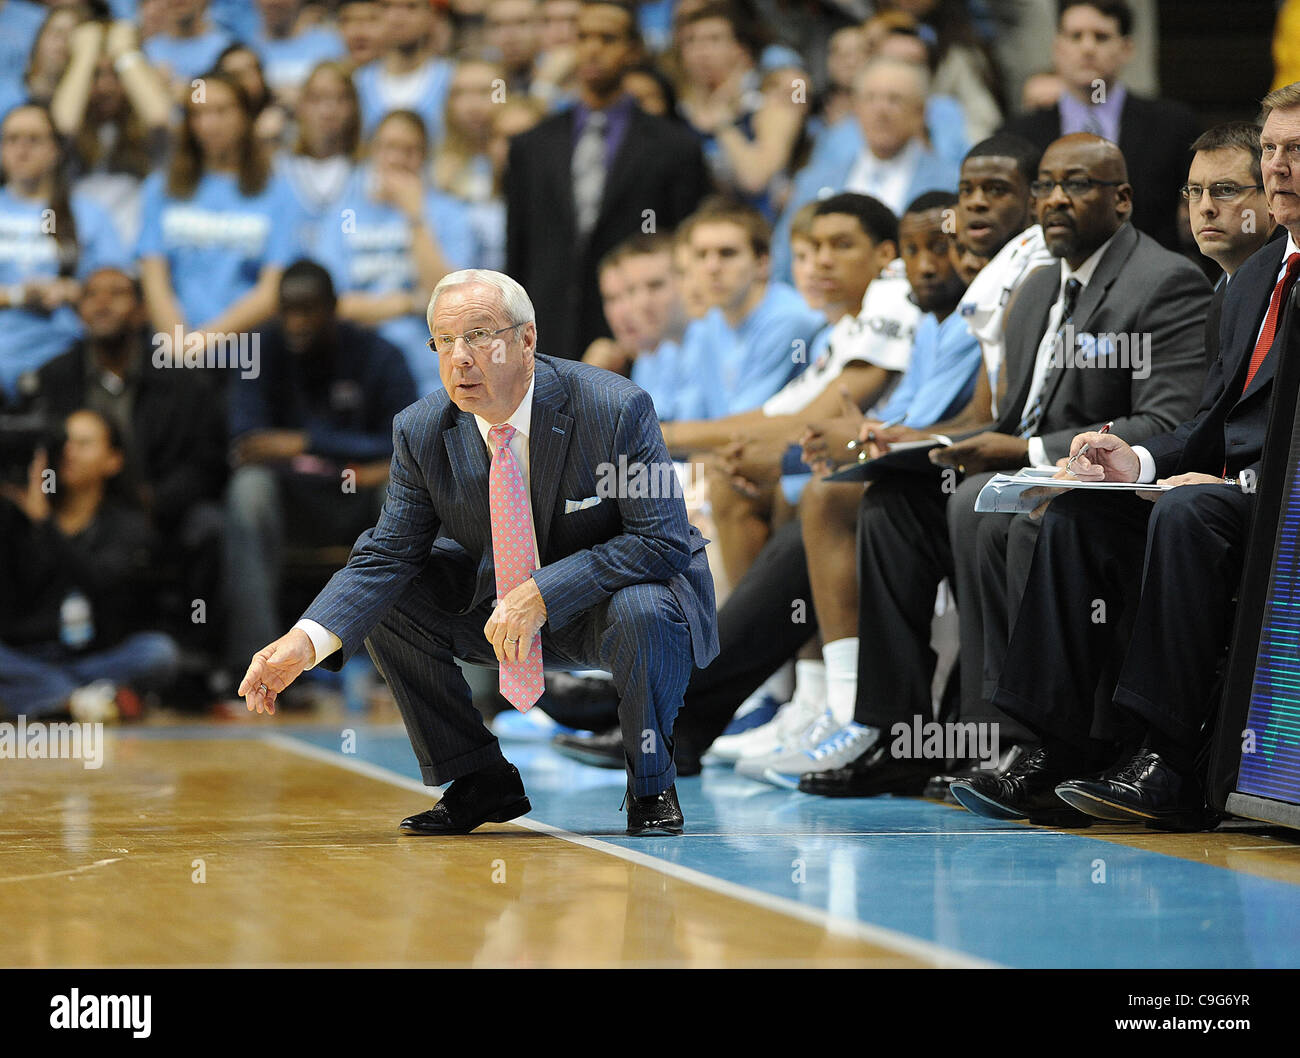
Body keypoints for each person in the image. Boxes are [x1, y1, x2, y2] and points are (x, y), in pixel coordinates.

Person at [798, 133, 1211, 799]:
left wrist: (1026, 455)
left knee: (980, 503)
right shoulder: (1039, 286)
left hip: (1104, 491)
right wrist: (914, 442)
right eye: (1046, 184)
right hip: (1028, 475)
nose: (1054, 199)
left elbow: (1163, 424)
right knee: (893, 504)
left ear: (1124, 199)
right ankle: (897, 732)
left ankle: (1012, 737)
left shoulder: (1163, 282)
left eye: (1075, 185)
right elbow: (1007, 420)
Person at [237, 269, 719, 835]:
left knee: (645, 607)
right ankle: (478, 780)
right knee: (390, 595)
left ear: (527, 340)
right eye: (443, 341)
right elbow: (387, 556)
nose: (459, 358)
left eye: (478, 336)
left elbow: (660, 541)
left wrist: (544, 591)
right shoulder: (420, 430)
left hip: (608, 609)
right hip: (497, 612)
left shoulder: (617, 408)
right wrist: (305, 640)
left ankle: (651, 784)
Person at [952, 85, 1300, 830]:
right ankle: (1056, 752)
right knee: (1083, 511)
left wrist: (1241, 481)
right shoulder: (1251, 284)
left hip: (1278, 502)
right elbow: (1206, 422)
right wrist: (1134, 459)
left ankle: (1170, 762)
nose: (1278, 166)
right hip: (1227, 498)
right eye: (1270, 148)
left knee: (1190, 509)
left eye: (1294, 151)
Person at [223, 260, 417, 674]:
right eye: (287, 310)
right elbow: (247, 441)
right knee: (248, 490)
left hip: (360, 498)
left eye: (307, 309)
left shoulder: (378, 354)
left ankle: (404, 666)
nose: (296, 322)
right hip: (291, 500)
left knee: (401, 491)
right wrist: (345, 459)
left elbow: (403, 440)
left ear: (333, 307)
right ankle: (258, 665)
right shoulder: (259, 352)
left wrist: (303, 442)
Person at [503, 0, 711, 360]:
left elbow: (683, 247)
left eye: (607, 38)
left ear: (633, 50)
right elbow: (517, 252)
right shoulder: (531, 146)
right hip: (545, 330)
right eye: (583, 37)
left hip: (641, 338)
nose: (592, 49)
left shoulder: (675, 147)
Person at [0, 408, 180, 722]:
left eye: (84, 444)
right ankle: (80, 699)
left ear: (113, 460)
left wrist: (45, 524)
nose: (69, 452)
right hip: (24, 654)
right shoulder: (15, 516)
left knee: (159, 652)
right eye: (64, 443)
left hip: (94, 657)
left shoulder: (128, 526)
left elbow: (98, 580)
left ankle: (43, 696)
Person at [997, 0, 1198, 251]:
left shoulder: (1172, 126)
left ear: (1127, 48)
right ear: (1057, 47)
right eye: (1075, 36)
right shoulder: (1018, 135)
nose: (1087, 48)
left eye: (1101, 37)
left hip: (1151, 275)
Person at [313, 108, 476, 395]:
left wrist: (415, 216)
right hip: (357, 364)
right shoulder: (343, 216)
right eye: (389, 147)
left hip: (429, 370)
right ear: (372, 151)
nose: (398, 158)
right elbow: (329, 304)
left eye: (409, 149)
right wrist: (408, 303)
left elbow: (450, 299)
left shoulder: (451, 214)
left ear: (424, 156)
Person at [136, 71, 303, 348]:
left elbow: (273, 287)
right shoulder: (162, 187)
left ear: (246, 116)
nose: (208, 124)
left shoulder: (278, 193)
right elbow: (154, 276)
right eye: (197, 114)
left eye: (221, 111)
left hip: (250, 353)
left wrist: (204, 341)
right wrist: (179, 344)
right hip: (174, 350)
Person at [769, 56, 960, 283]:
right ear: (856, 109)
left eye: (894, 99)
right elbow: (782, 263)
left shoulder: (950, 183)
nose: (881, 110)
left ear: (920, 112)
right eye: (870, 99)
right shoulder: (814, 181)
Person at [0, 103, 126, 401]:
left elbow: (119, 286)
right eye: (12, 139)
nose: (22, 149)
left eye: (34, 139)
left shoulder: (88, 214)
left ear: (56, 150)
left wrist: (74, 291)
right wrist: (18, 296)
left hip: (67, 354)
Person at [670, 198, 823, 421]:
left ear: (762, 263)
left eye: (727, 253)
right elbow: (691, 415)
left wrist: (664, 436)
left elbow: (740, 429)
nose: (712, 267)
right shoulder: (708, 323)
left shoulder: (789, 319)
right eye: (701, 255)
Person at [51, 19, 172, 249]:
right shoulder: (68, 117)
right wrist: (84, 55)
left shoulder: (145, 124)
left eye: (115, 74)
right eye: (95, 75)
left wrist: (126, 52)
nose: (106, 86)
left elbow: (160, 119)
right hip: (79, 243)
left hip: (137, 244)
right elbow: (62, 127)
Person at [352, 0, 454, 140]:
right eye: (387, 6)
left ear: (431, 15)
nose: (398, 17)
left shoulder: (453, 80)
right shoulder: (357, 83)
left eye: (411, 6)